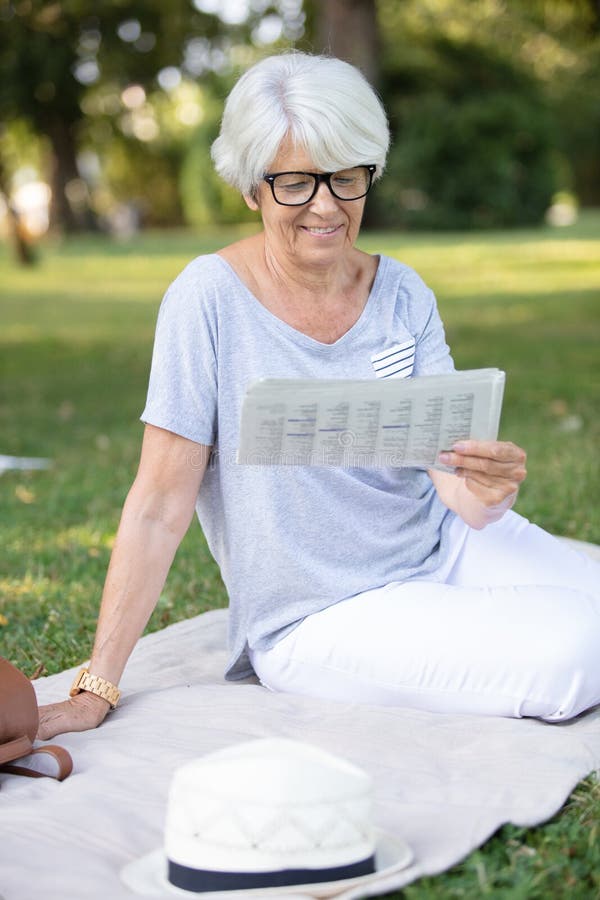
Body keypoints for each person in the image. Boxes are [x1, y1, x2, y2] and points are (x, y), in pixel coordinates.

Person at [38, 52, 600, 740]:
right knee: (569, 651)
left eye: (346, 177)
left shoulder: (402, 292)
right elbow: (158, 507)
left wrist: (487, 491)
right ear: (252, 189)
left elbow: (454, 486)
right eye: (296, 183)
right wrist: (96, 685)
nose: (327, 206)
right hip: (320, 614)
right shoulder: (206, 300)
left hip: (441, 546)